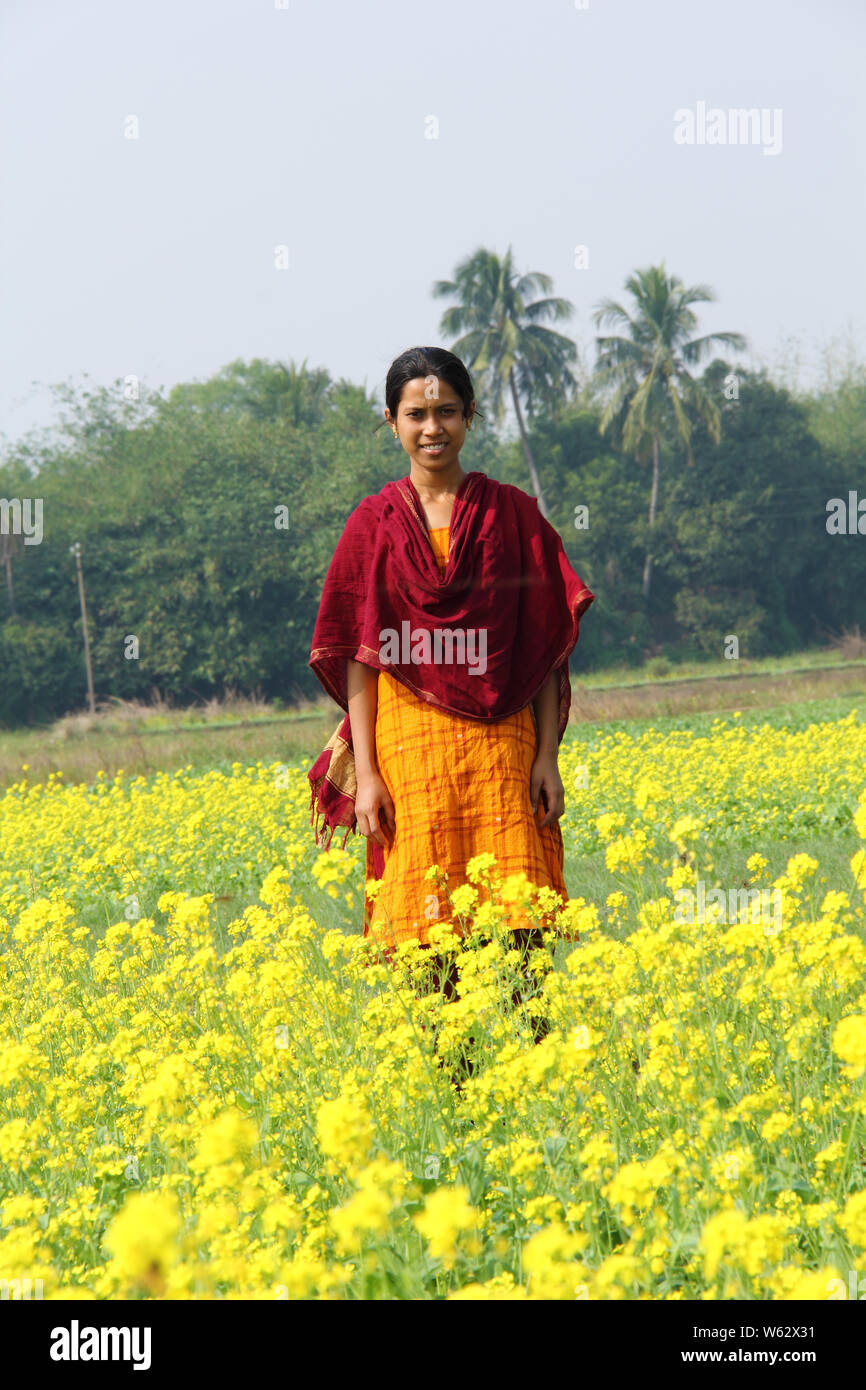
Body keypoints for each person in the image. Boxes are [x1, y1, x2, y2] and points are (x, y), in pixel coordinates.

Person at [307, 346, 594, 1081]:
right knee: (430, 925)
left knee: (519, 915)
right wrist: (365, 776)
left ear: (468, 417)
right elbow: (358, 656)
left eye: (446, 412)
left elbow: (540, 645)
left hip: (502, 744)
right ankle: (456, 1086)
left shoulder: (511, 514)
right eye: (416, 414)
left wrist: (546, 757)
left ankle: (542, 1070)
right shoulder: (373, 524)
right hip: (409, 748)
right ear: (392, 423)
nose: (432, 427)